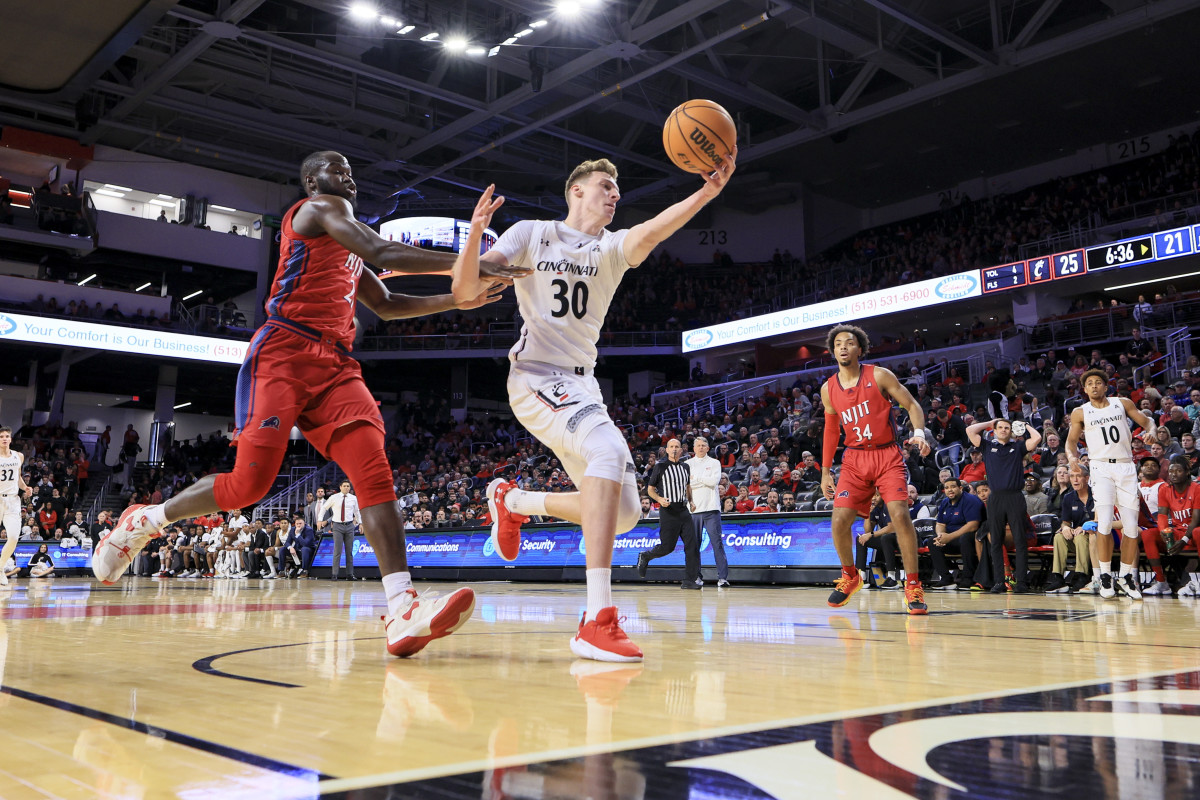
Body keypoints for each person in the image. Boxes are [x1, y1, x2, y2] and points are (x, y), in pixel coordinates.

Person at [92, 151, 519, 659]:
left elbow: (385, 305)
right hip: (283, 351)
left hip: (335, 364)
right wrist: (472, 263)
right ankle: (147, 519)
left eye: (351, 173)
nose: (348, 179)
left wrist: (457, 300)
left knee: (374, 472)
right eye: (338, 171)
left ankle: (402, 607)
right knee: (248, 486)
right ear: (312, 181)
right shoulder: (318, 211)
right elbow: (381, 249)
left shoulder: (347, 242)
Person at [460, 148, 736, 662]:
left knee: (624, 514)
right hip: (536, 377)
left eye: (617, 189)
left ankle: (514, 503)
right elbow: (474, 279)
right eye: (606, 186)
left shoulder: (610, 248)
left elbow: (654, 229)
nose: (615, 194)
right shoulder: (532, 233)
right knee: (607, 453)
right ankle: (597, 619)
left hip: (583, 387)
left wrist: (707, 192)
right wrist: (475, 240)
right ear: (577, 191)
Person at [819, 324, 927, 614]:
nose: (843, 347)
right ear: (833, 351)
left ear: (860, 349)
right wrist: (825, 471)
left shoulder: (879, 375)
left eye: (849, 342)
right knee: (839, 520)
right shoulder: (828, 389)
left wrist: (919, 433)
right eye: (838, 344)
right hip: (854, 459)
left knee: (900, 515)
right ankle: (850, 576)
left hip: (886, 454)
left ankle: (913, 584)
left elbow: (912, 404)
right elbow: (831, 430)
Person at [1066, 368, 1158, 600]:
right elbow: (1071, 442)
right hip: (1100, 467)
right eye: (1090, 383)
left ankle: (1126, 576)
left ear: (1106, 386)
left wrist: (1152, 431)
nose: (1094, 386)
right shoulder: (1080, 412)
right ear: (1085, 389)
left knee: (1131, 527)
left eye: (1098, 382)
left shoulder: (1122, 403)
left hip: (1126, 466)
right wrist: (1071, 457)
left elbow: (1148, 422)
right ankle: (1105, 575)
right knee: (1104, 522)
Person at [966, 418, 1042, 592]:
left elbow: (1037, 438)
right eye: (1000, 427)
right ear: (994, 430)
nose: (1003, 430)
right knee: (996, 540)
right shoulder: (987, 446)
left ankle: (1021, 582)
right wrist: (990, 422)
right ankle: (999, 582)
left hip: (1015, 496)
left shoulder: (1018, 447)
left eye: (1007, 428)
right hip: (996, 498)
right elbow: (970, 430)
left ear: (1011, 431)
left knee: (1020, 539)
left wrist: (1024, 426)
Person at [638, 439, 700, 589]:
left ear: (681, 450)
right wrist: (659, 499)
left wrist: (691, 501)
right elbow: (650, 489)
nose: (674, 449)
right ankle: (646, 556)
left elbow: (687, 486)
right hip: (668, 511)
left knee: (692, 545)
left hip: (683, 510)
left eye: (677, 447)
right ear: (666, 450)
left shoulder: (685, 467)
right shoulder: (660, 467)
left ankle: (690, 580)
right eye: (671, 447)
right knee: (667, 547)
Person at [1148, 456, 1200, 596]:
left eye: (1178, 471)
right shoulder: (1164, 489)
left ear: (1187, 472)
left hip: (1192, 534)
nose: (1173, 474)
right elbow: (1162, 515)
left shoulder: (1196, 488)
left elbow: (1196, 519)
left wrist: (1184, 540)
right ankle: (1161, 582)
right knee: (1148, 534)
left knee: (1198, 532)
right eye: (1171, 471)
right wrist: (1164, 532)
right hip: (1178, 532)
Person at [687, 437, 729, 587]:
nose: (700, 447)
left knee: (717, 544)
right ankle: (696, 577)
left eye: (703, 445)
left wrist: (696, 479)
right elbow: (687, 485)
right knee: (694, 546)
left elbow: (714, 482)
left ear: (708, 448)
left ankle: (722, 578)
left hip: (712, 509)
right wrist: (703, 480)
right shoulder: (687, 464)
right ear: (694, 448)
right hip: (694, 510)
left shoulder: (714, 462)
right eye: (698, 445)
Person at [927, 478, 984, 589]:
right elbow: (940, 523)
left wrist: (949, 537)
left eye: (953, 487)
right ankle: (946, 579)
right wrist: (940, 536)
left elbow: (973, 525)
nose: (950, 490)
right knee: (932, 541)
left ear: (960, 488)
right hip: (951, 538)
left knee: (965, 538)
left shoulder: (970, 500)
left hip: (971, 537)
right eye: (947, 488)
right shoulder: (944, 502)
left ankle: (968, 578)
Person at [0, 426, 33, 587]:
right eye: (1, 437)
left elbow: (18, 478)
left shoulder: (18, 456)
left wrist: (25, 487)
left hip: (13, 501)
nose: (4, 439)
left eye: (7, 436)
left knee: (13, 538)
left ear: (11, 439)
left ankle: (0, 569)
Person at [321, 480, 361, 580]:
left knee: (349, 551)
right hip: (337, 525)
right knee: (337, 551)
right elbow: (324, 508)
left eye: (348, 486)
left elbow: (357, 512)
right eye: (344, 486)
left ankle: (350, 574)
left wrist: (360, 523)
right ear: (340, 487)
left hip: (349, 525)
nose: (346, 487)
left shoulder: (353, 498)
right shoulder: (334, 497)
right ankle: (334, 574)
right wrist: (319, 520)